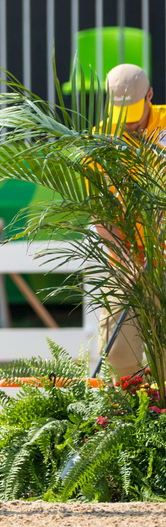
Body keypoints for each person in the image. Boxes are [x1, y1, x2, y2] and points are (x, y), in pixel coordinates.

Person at [96, 63, 166, 378]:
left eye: (135, 110)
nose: (129, 121)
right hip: (126, 258)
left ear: (150, 95)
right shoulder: (101, 140)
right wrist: (126, 261)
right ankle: (128, 403)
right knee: (117, 350)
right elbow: (100, 211)